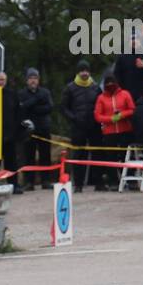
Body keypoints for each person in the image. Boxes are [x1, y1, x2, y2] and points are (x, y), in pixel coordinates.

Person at [60, 60, 101, 192]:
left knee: (97, 154)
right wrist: (73, 118)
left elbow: (101, 104)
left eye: (86, 70)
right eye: (82, 70)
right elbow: (64, 108)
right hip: (78, 127)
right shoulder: (70, 88)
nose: (84, 73)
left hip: (94, 126)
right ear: (78, 72)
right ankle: (78, 184)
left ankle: (98, 182)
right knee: (79, 155)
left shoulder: (95, 87)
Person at [94, 74, 135, 190]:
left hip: (125, 130)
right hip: (109, 132)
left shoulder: (125, 94)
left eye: (112, 83)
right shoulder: (101, 98)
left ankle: (130, 179)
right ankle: (114, 181)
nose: (110, 86)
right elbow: (97, 116)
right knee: (110, 157)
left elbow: (132, 109)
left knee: (126, 156)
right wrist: (111, 119)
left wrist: (122, 115)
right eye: (108, 84)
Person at [15, 68, 54, 190]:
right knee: (28, 156)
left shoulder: (45, 92)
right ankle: (29, 182)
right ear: (27, 80)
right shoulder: (22, 94)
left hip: (44, 128)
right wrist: (36, 101)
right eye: (31, 78)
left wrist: (32, 107)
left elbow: (49, 107)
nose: (33, 81)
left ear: (38, 80)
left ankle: (46, 180)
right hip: (28, 130)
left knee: (45, 156)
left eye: (35, 78)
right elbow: (21, 108)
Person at [114, 31, 143, 101]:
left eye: (137, 39)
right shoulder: (122, 57)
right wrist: (120, 92)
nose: (134, 41)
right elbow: (116, 75)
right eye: (132, 39)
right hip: (126, 95)